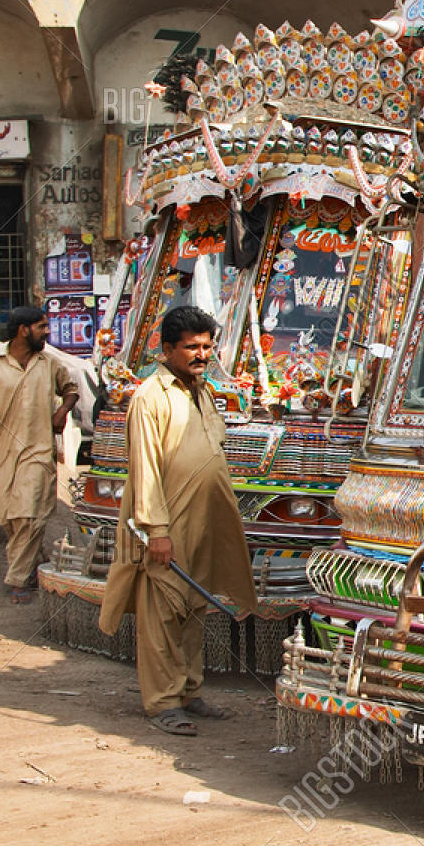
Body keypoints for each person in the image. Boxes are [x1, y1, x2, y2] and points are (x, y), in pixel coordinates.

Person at [98, 305, 258, 735]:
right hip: (166, 524)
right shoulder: (150, 397)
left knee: (193, 608)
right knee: (163, 612)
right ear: (168, 350)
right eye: (192, 347)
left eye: (207, 346)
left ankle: (189, 691)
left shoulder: (202, 391)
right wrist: (157, 532)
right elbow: (146, 470)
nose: (201, 354)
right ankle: (163, 702)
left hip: (202, 523)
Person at [0, 307, 79, 604]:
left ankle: (17, 580)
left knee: (29, 515)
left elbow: (71, 390)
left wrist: (61, 411)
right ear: (23, 330)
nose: (47, 332)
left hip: (39, 451)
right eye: (41, 327)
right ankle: (29, 565)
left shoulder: (49, 363)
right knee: (11, 518)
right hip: (2, 454)